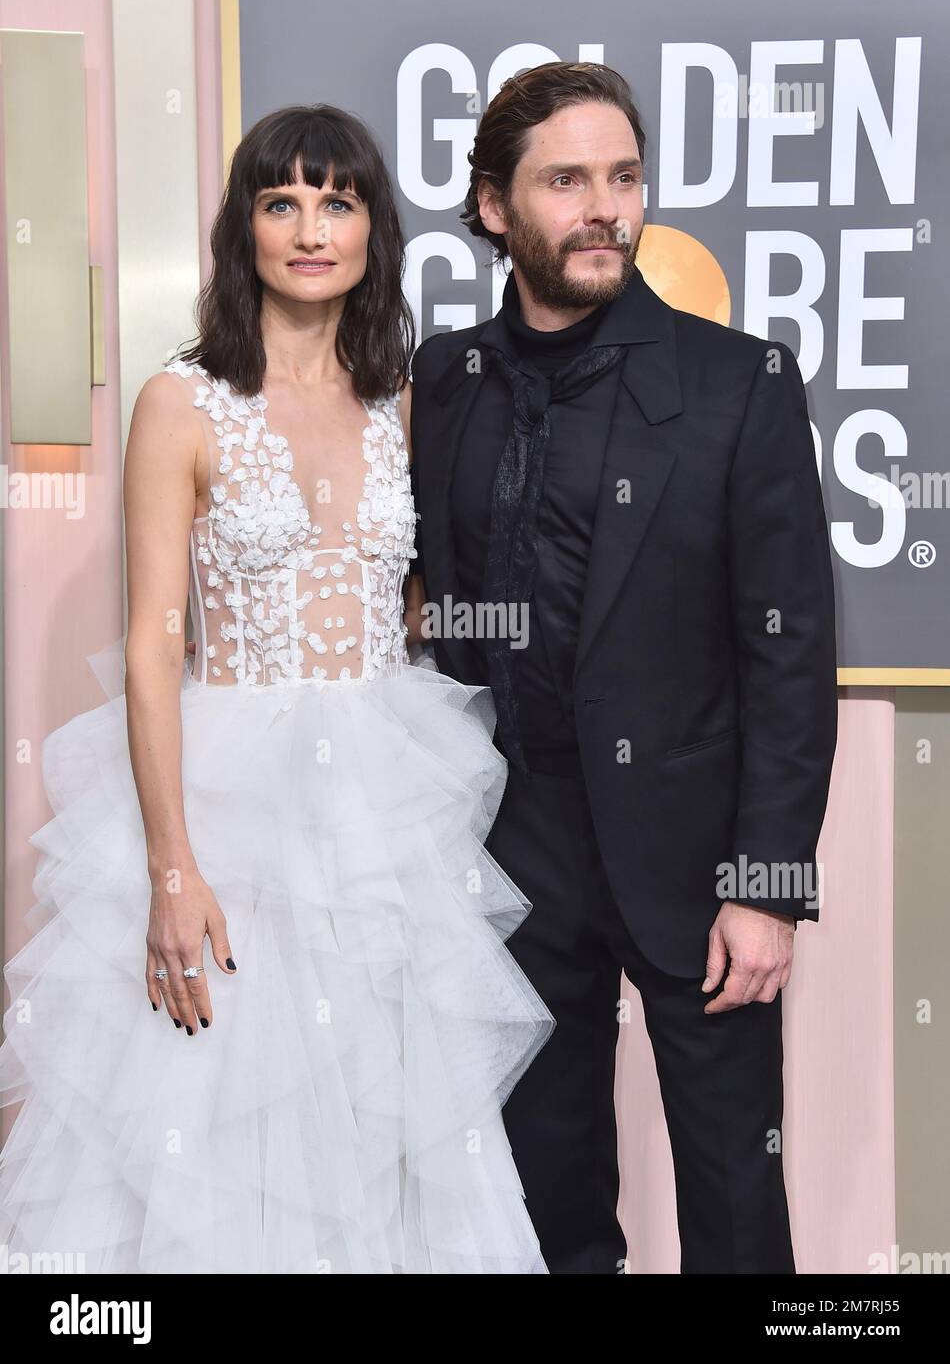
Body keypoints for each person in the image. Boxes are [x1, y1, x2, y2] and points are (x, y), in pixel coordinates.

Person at [0, 105, 555, 1274]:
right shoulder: (182, 403)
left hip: (378, 806)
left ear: (372, 231)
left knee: (390, 1120)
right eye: (281, 201)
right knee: (209, 1121)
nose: (311, 227)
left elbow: (407, 598)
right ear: (242, 228)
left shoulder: (403, 399)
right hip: (228, 809)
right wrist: (170, 866)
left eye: (338, 201)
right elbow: (153, 646)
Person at [409, 63, 838, 1274]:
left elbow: (791, 656)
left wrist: (767, 885)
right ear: (494, 206)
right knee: (545, 1193)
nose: (603, 207)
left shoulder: (734, 383)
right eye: (564, 181)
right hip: (509, 851)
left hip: (699, 862)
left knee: (732, 1203)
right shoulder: (445, 381)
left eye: (621, 177)